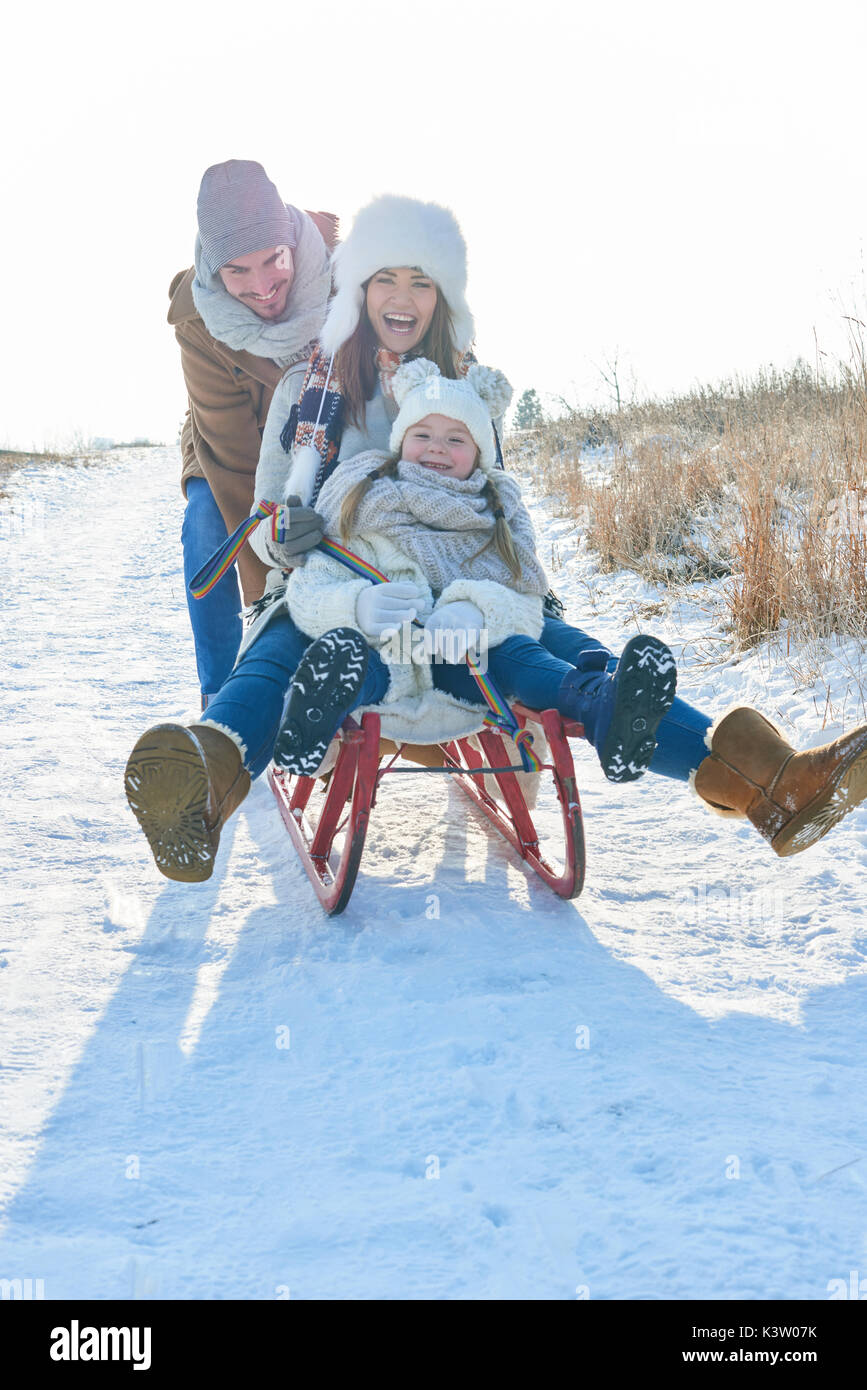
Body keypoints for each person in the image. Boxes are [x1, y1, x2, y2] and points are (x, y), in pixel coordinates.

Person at [125, 194, 867, 883]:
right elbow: (263, 523)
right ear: (358, 289)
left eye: (422, 282)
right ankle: (204, 779)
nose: (403, 298)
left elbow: (496, 507)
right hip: (347, 581)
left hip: (464, 583)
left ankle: (772, 785)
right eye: (385, 279)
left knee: (572, 654)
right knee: (279, 644)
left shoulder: (471, 389)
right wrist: (285, 535)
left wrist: (517, 593)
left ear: (443, 298)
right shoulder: (310, 390)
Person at [273, 359, 676, 783]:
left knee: (521, 656)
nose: (436, 447)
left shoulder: (496, 507)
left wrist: (477, 611)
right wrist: (355, 605)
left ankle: (602, 704)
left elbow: (523, 597)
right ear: (401, 440)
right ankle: (311, 722)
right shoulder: (363, 491)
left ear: (481, 452)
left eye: (455, 438)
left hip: (462, 657)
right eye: (422, 435)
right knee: (355, 662)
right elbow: (312, 583)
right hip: (385, 652)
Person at [170, 158, 337, 706]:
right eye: (238, 272)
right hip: (232, 453)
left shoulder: (344, 267)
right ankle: (230, 701)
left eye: (273, 260)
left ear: (292, 242)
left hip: (330, 434)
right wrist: (272, 601)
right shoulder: (199, 324)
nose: (263, 286)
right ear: (216, 273)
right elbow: (238, 470)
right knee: (207, 527)